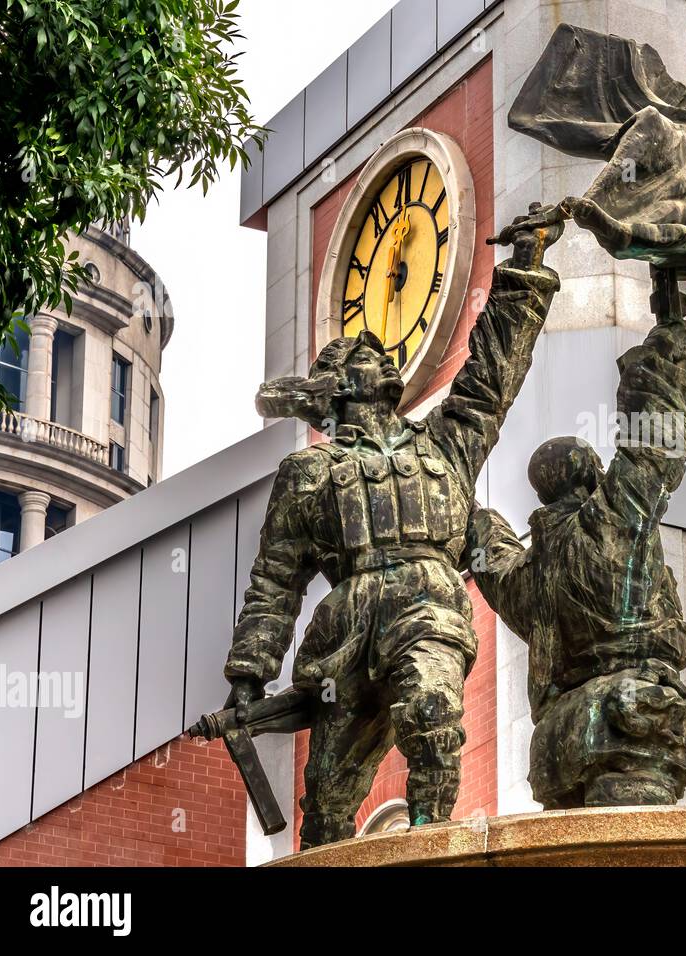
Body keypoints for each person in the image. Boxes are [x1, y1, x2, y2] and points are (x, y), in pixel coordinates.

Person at [222, 205, 564, 849]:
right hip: (345, 630)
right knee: (325, 800)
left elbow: (492, 376)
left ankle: (433, 847)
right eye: (363, 355)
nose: (382, 358)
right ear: (336, 388)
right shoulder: (308, 472)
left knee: (432, 715)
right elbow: (275, 581)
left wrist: (525, 267)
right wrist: (248, 673)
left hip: (429, 606)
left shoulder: (446, 447)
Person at [466, 319, 686, 809]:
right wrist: (661, 364)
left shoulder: (523, 576)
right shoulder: (611, 521)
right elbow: (651, 454)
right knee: (639, 852)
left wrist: (453, 495)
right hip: (630, 722)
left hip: (556, 740)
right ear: (592, 473)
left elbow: (485, 547)